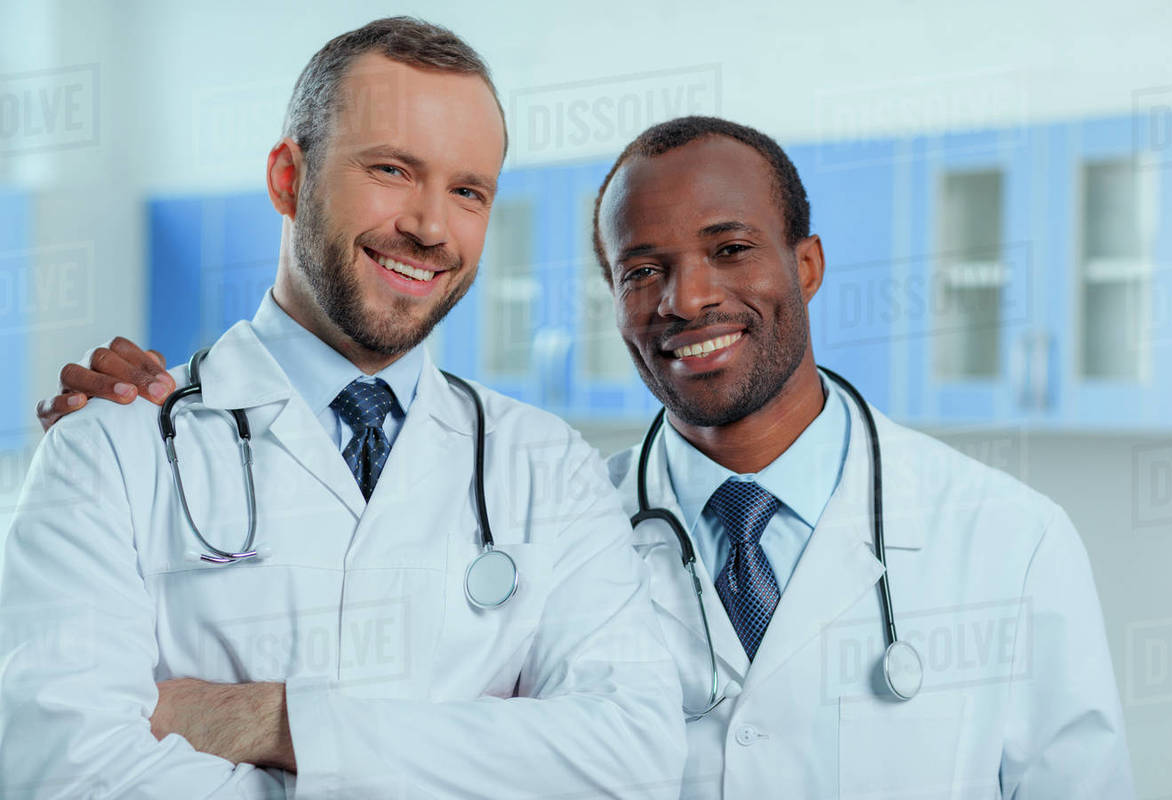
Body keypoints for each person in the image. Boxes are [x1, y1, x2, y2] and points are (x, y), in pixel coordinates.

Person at [34, 117, 1135, 799]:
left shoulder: (1010, 540)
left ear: (805, 263)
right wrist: (134, 437)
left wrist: (261, 718)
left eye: (731, 249)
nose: (687, 298)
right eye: (641, 268)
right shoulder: (553, 525)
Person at [0, 18, 687, 800]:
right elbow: (67, 770)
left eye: (467, 191)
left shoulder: (547, 463)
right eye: (392, 169)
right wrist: (484, 757)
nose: (430, 226)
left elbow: (633, 758)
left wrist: (278, 724)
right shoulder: (110, 448)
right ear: (288, 179)